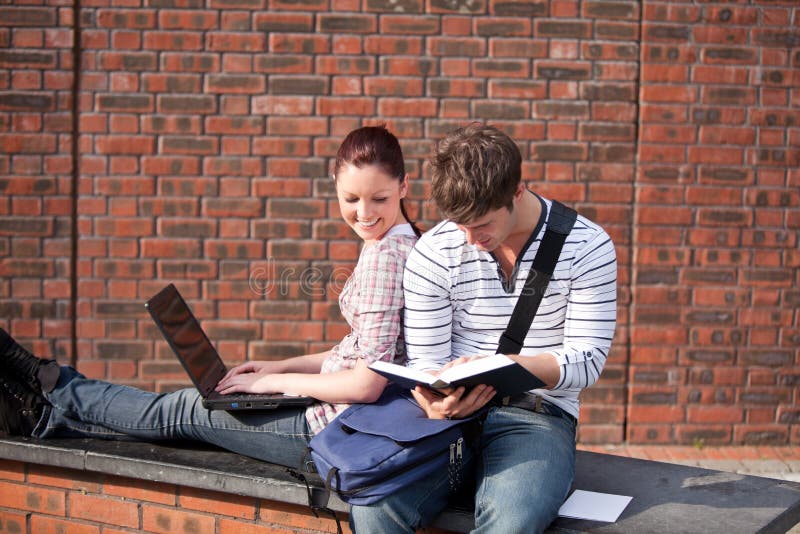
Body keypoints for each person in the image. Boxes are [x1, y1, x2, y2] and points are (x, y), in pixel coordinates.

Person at [0, 125, 421, 469]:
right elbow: (363, 350)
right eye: (351, 199)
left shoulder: (385, 257)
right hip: (339, 415)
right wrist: (280, 365)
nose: (364, 213)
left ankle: (47, 381)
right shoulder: (400, 241)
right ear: (334, 187)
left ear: (404, 186)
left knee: (184, 411)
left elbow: (366, 383)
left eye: (379, 199)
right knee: (188, 413)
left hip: (334, 431)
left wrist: (271, 382)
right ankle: (42, 415)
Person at [349, 123, 618, 533]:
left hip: (537, 416)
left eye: (482, 224)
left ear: (517, 191)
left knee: (509, 522)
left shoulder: (587, 246)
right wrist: (433, 402)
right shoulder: (435, 251)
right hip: (447, 418)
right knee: (374, 506)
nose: (471, 239)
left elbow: (587, 362)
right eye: (459, 224)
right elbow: (428, 362)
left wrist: (506, 364)